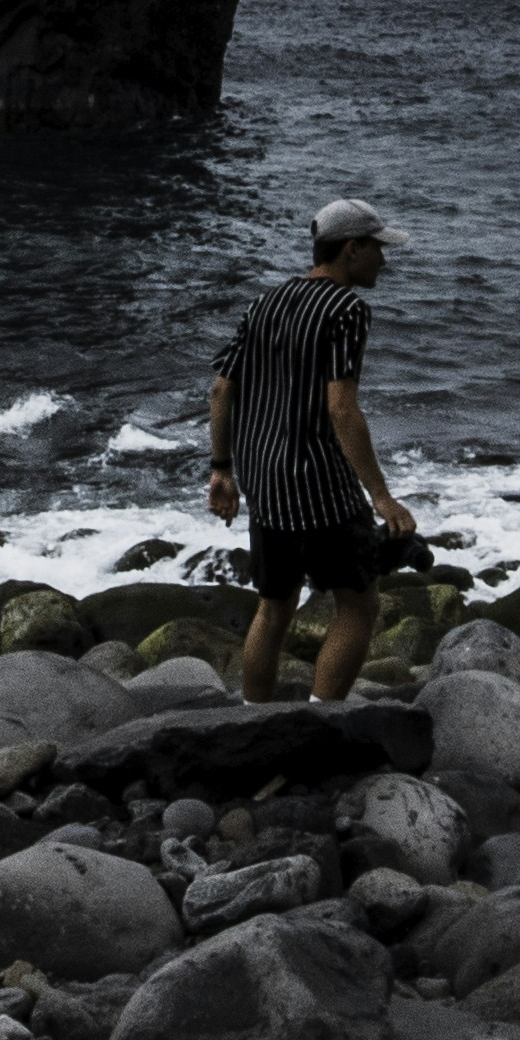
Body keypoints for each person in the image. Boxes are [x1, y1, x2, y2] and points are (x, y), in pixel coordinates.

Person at [205, 200, 417, 702]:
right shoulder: (347, 310)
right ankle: (325, 720)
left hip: (264, 482)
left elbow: (219, 390)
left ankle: (252, 716)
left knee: (274, 605)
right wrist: (382, 497)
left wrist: (221, 470)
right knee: (359, 607)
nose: (384, 262)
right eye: (378, 249)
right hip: (318, 482)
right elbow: (342, 410)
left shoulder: (265, 303)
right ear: (352, 249)